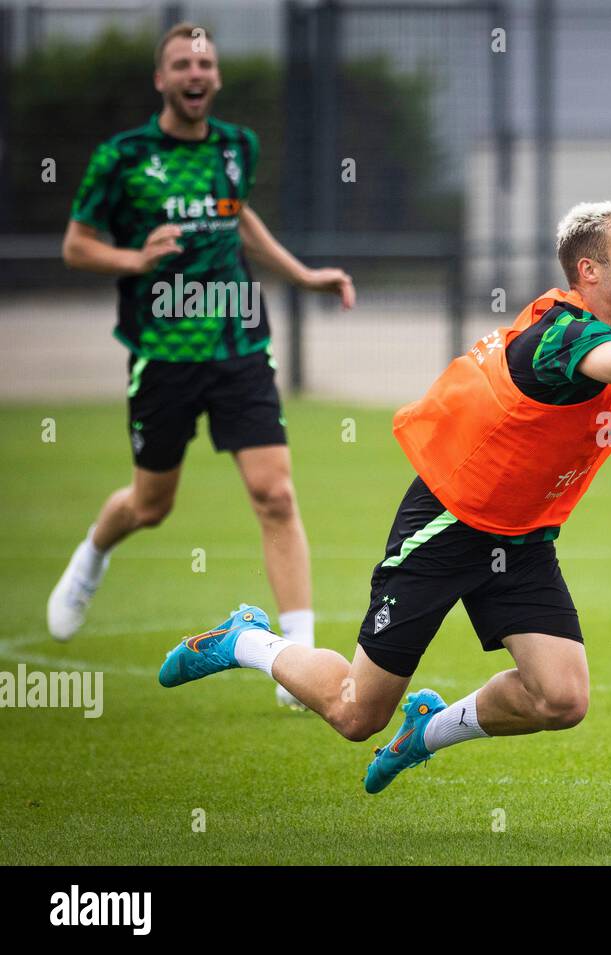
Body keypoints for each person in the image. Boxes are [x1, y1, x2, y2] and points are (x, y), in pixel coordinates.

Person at [158, 200, 611, 795]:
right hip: (448, 523)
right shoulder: (560, 338)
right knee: (355, 711)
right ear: (589, 271)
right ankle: (245, 638)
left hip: (523, 537)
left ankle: (429, 731)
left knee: (562, 698)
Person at [48, 23, 355, 708]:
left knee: (274, 492)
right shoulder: (122, 157)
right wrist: (134, 259)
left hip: (239, 343)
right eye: (182, 62)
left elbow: (240, 219)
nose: (195, 72)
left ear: (215, 78)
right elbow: (75, 246)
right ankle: (93, 554)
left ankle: (296, 659)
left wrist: (303, 275)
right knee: (151, 504)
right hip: (163, 354)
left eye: (206, 62)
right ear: (161, 78)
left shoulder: (236, 145)